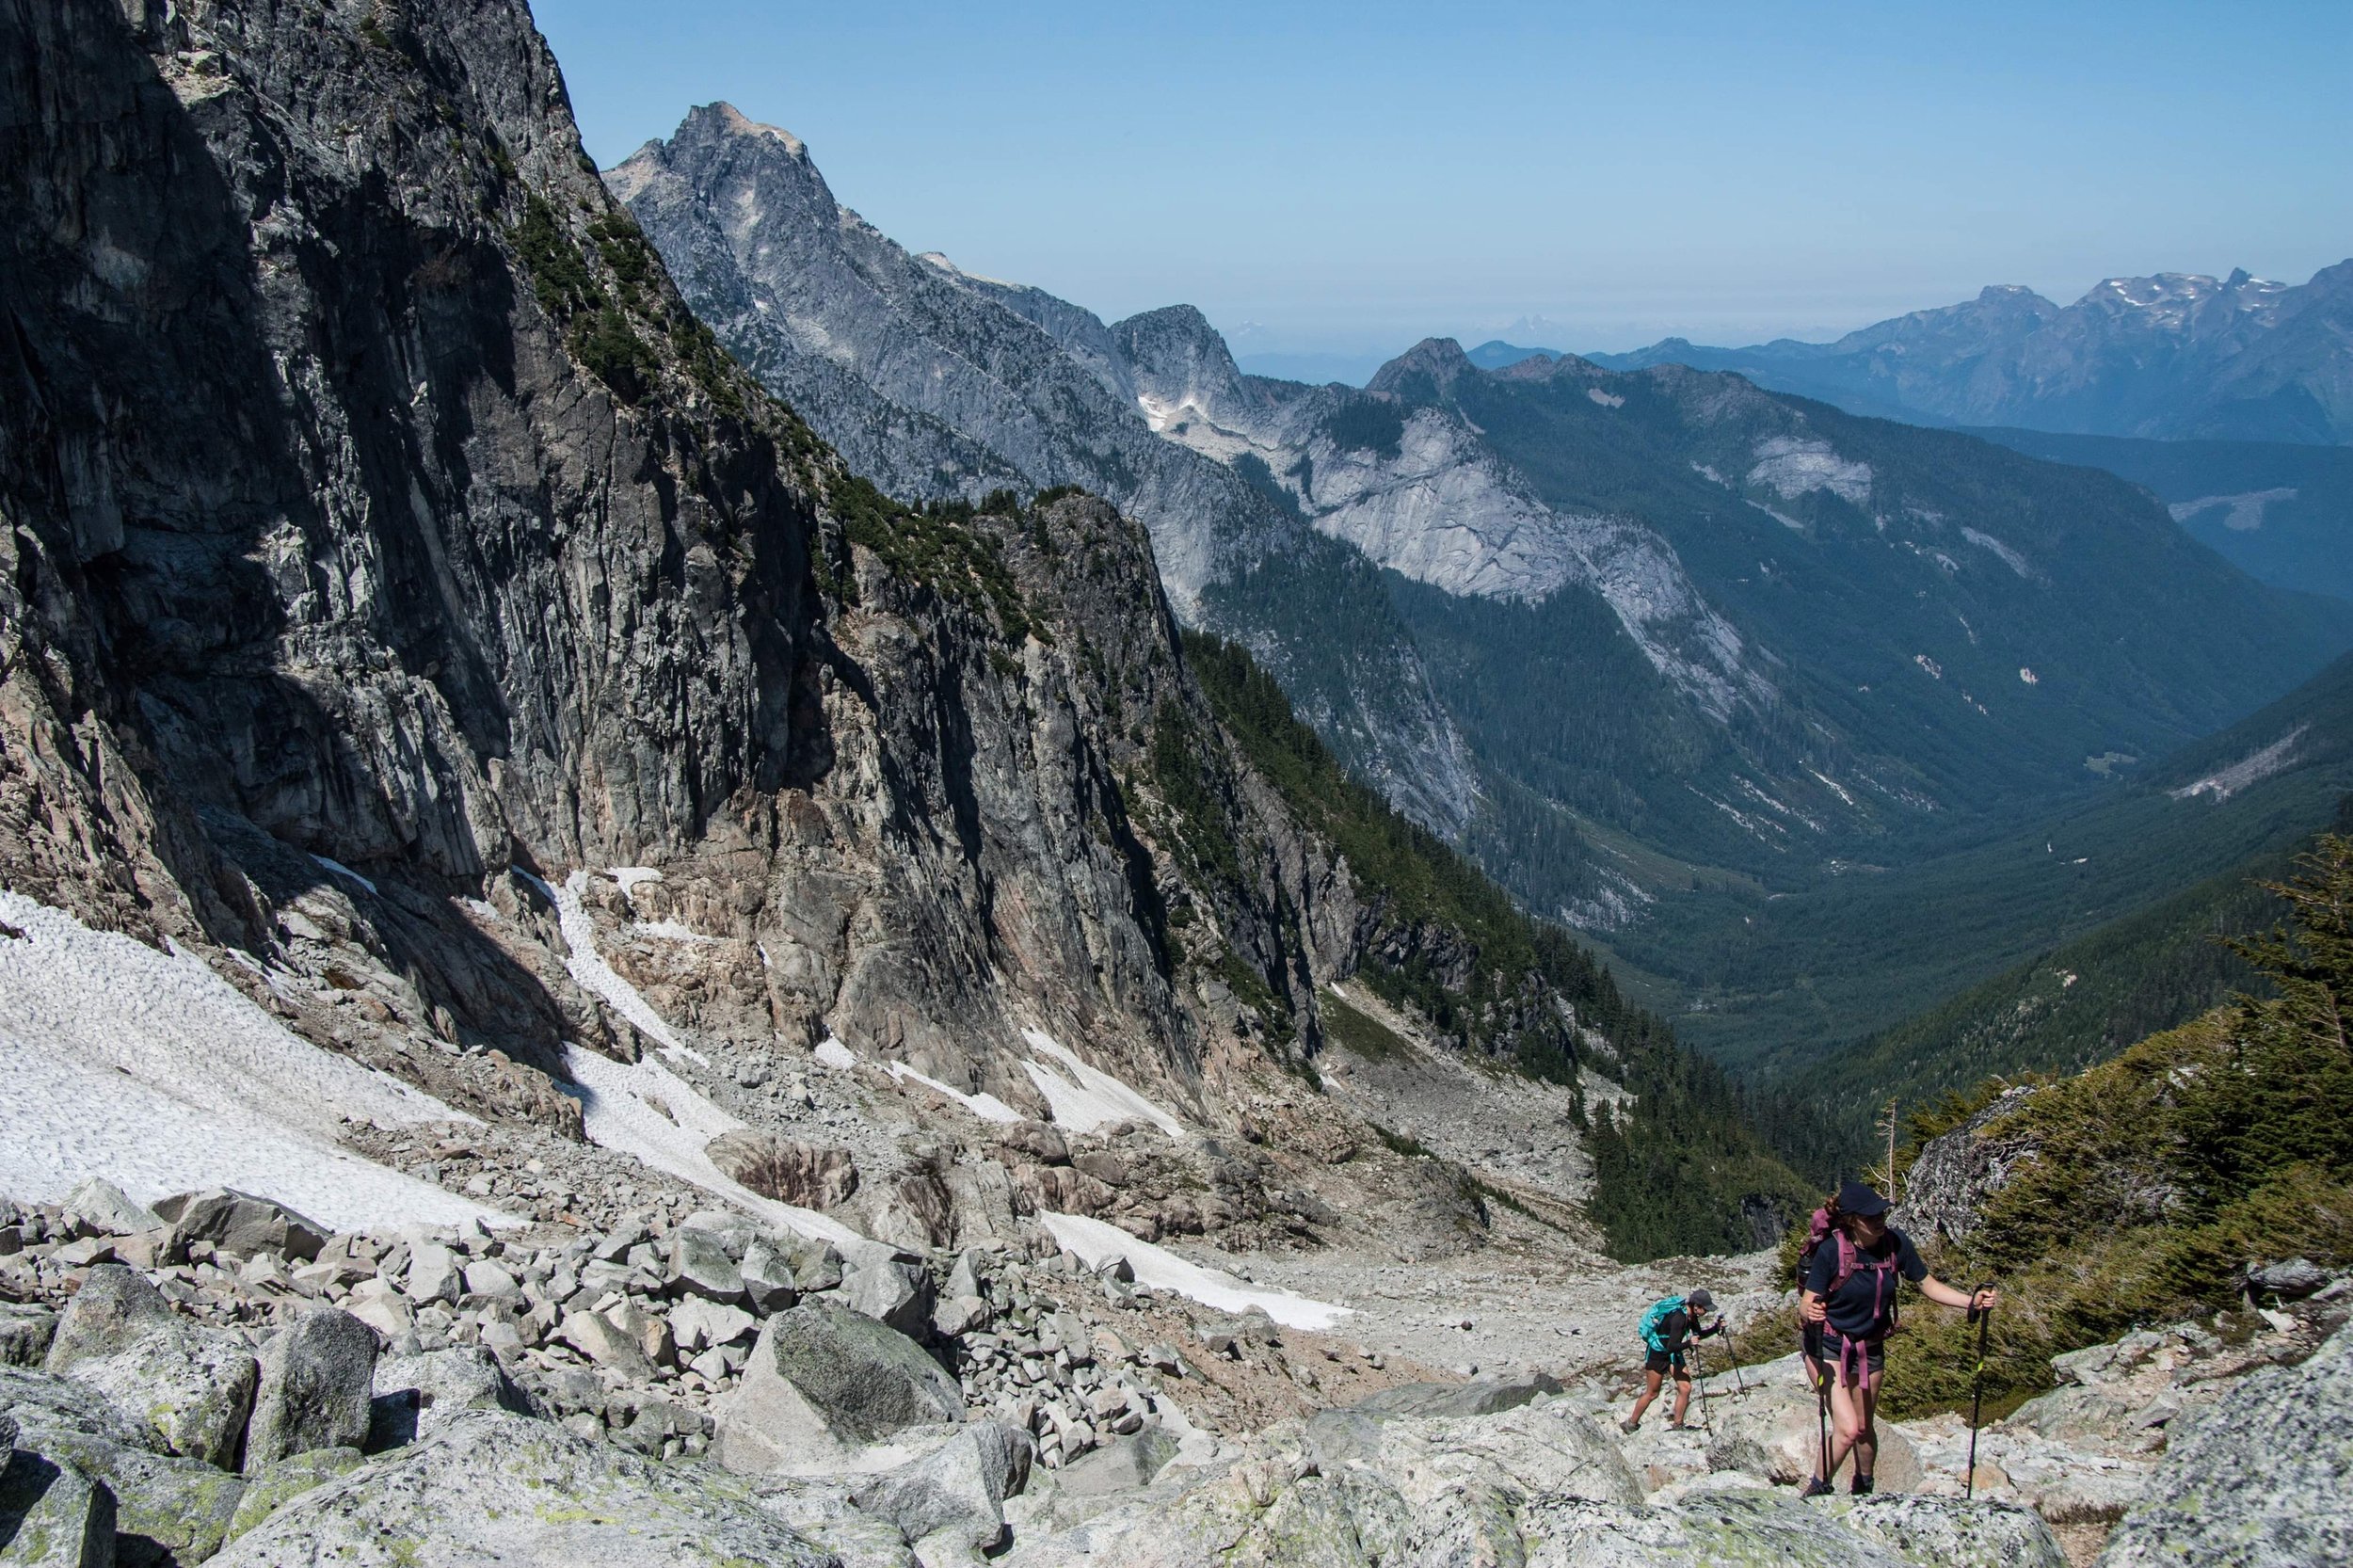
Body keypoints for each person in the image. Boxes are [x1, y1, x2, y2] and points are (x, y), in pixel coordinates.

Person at [1798, 1179, 1997, 1496]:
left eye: (1882, 1215)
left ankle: (1864, 1485)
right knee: (1847, 1429)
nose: (1880, 1221)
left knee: (1864, 1429)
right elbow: (1806, 1305)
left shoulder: (1896, 1244)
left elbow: (1928, 1285)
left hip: (1869, 1349)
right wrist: (1812, 1313)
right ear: (1851, 1221)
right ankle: (1816, 1491)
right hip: (1827, 1348)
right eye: (1871, 1217)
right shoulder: (1830, 1252)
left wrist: (1969, 1302)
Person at [1620, 1288, 1722, 1433]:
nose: (1707, 1312)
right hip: (1658, 1354)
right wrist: (1689, 1344)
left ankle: (1678, 1424)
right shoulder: (1678, 1318)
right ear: (1696, 1306)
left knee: (1685, 1388)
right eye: (1705, 1309)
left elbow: (1698, 1334)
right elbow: (1671, 1346)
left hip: (1673, 1353)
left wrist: (1716, 1328)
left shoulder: (1691, 1317)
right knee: (1652, 1393)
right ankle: (1631, 1424)